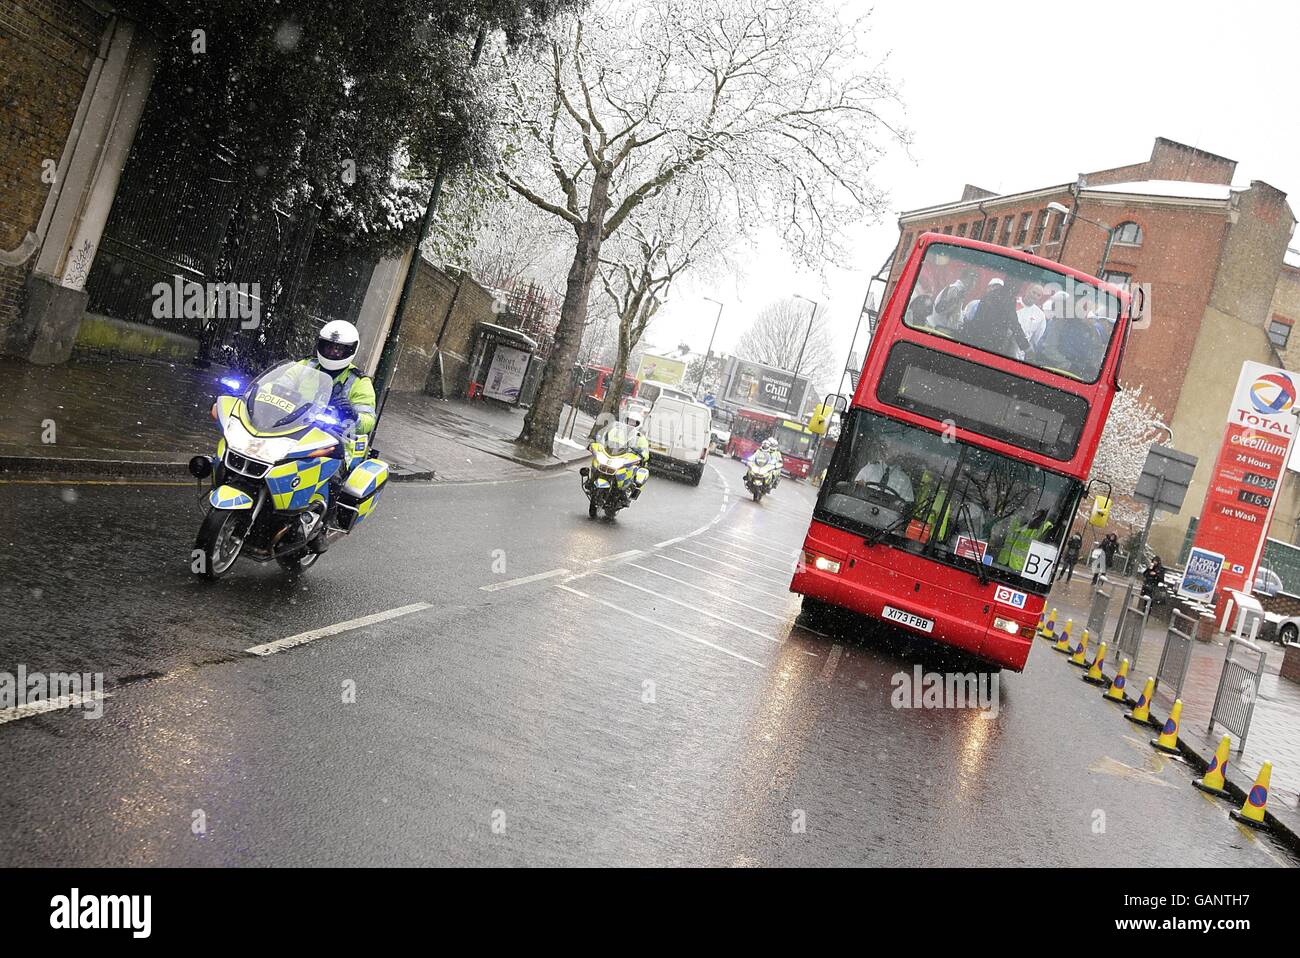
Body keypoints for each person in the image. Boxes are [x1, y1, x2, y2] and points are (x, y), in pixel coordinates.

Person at [305, 319, 377, 436]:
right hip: (296, 426)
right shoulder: (305, 365)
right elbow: (272, 386)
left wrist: (353, 415)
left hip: (334, 437)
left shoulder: (360, 382)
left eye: (339, 349)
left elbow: (368, 421)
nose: (333, 352)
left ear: (350, 350)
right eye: (329, 346)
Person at [961, 281, 1030, 360]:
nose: (1019, 289)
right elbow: (1013, 323)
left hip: (977, 338)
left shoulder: (991, 295)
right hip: (992, 343)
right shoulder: (1008, 298)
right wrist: (1026, 347)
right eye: (1018, 286)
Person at [1015, 283, 1048, 353]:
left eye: (1038, 295)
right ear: (1027, 290)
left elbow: (1036, 339)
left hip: (1019, 354)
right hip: (1002, 347)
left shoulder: (1040, 315)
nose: (1035, 296)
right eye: (1034, 292)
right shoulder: (1013, 302)